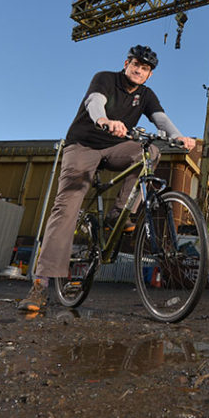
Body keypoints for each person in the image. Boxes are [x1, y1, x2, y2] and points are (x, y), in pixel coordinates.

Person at [18, 45, 197, 311]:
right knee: (66, 207)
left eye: (145, 68)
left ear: (149, 75)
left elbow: (161, 119)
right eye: (136, 64)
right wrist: (104, 120)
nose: (139, 70)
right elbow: (95, 102)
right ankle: (40, 285)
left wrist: (178, 136)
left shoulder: (146, 95)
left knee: (150, 152)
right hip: (84, 146)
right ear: (126, 63)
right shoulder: (105, 78)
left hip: (116, 148)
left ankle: (118, 216)